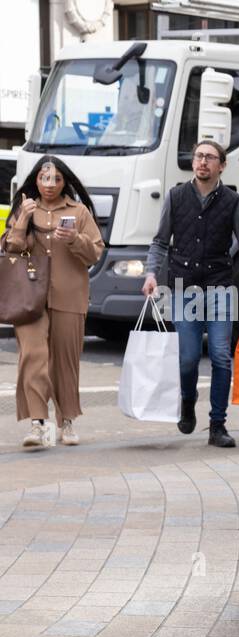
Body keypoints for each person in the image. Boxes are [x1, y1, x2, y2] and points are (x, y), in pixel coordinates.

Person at [142, 139, 239, 449]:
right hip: (185, 287)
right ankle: (187, 400)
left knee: (222, 356)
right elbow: (159, 241)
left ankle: (217, 425)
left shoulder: (233, 202)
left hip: (221, 287)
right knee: (188, 358)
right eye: (199, 156)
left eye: (210, 157)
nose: (203, 162)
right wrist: (151, 273)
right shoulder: (176, 197)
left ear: (222, 165)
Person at [3, 156, 104, 448]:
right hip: (28, 298)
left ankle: (67, 421)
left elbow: (95, 253)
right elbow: (11, 247)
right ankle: (37, 424)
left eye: (56, 179)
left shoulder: (79, 211)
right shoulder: (24, 208)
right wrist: (22, 220)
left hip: (69, 296)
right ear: (36, 179)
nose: (49, 185)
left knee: (65, 362)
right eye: (44, 178)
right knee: (32, 357)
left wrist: (74, 239)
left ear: (64, 181)